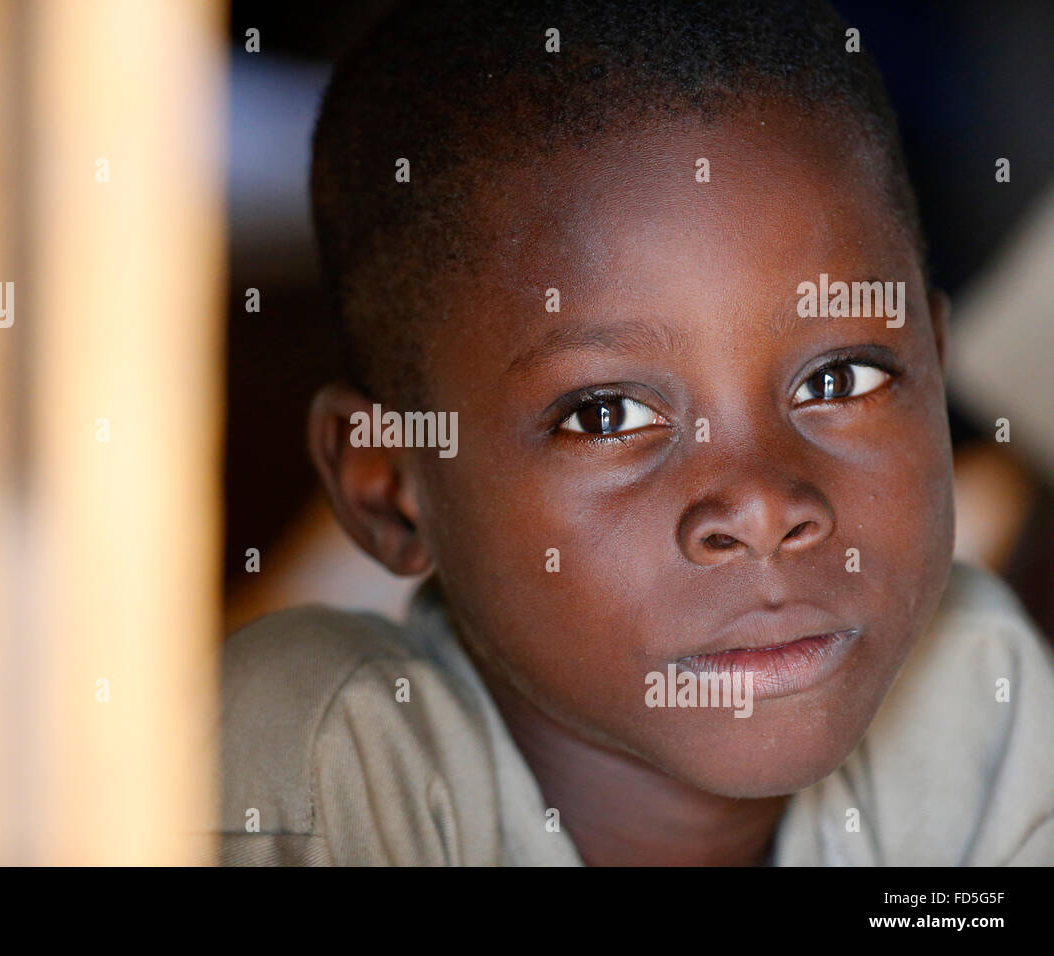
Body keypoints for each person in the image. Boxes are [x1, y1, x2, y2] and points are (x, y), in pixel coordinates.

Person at [217, 0, 1054, 865]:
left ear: (936, 361)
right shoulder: (323, 762)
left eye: (842, 378)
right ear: (388, 488)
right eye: (605, 415)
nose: (764, 506)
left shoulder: (973, 698)